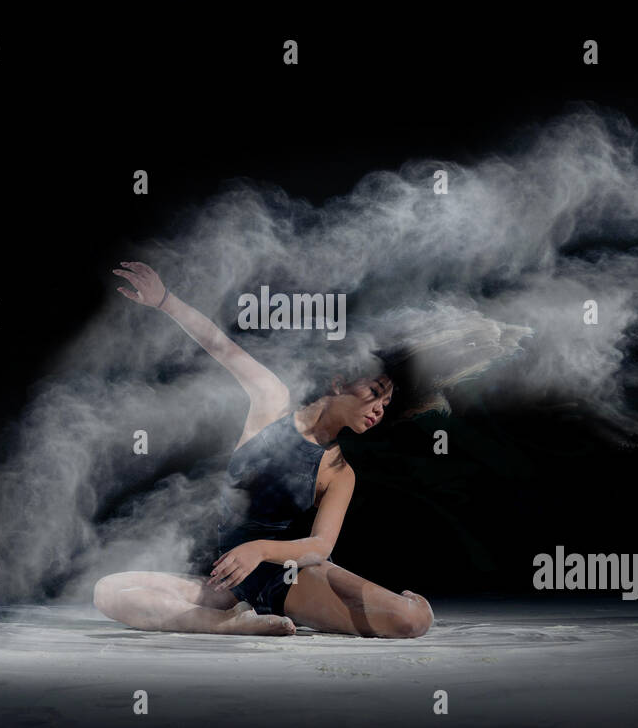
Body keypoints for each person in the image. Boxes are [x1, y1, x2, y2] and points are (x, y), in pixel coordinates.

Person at [93, 261, 434, 638]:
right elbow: (220, 346)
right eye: (374, 393)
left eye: (385, 405)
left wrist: (258, 550)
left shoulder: (339, 472)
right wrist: (165, 301)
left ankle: (242, 619)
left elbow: (319, 547)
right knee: (107, 592)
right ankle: (229, 623)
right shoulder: (272, 401)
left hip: (289, 578)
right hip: (229, 579)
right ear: (339, 382)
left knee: (410, 621)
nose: (378, 410)